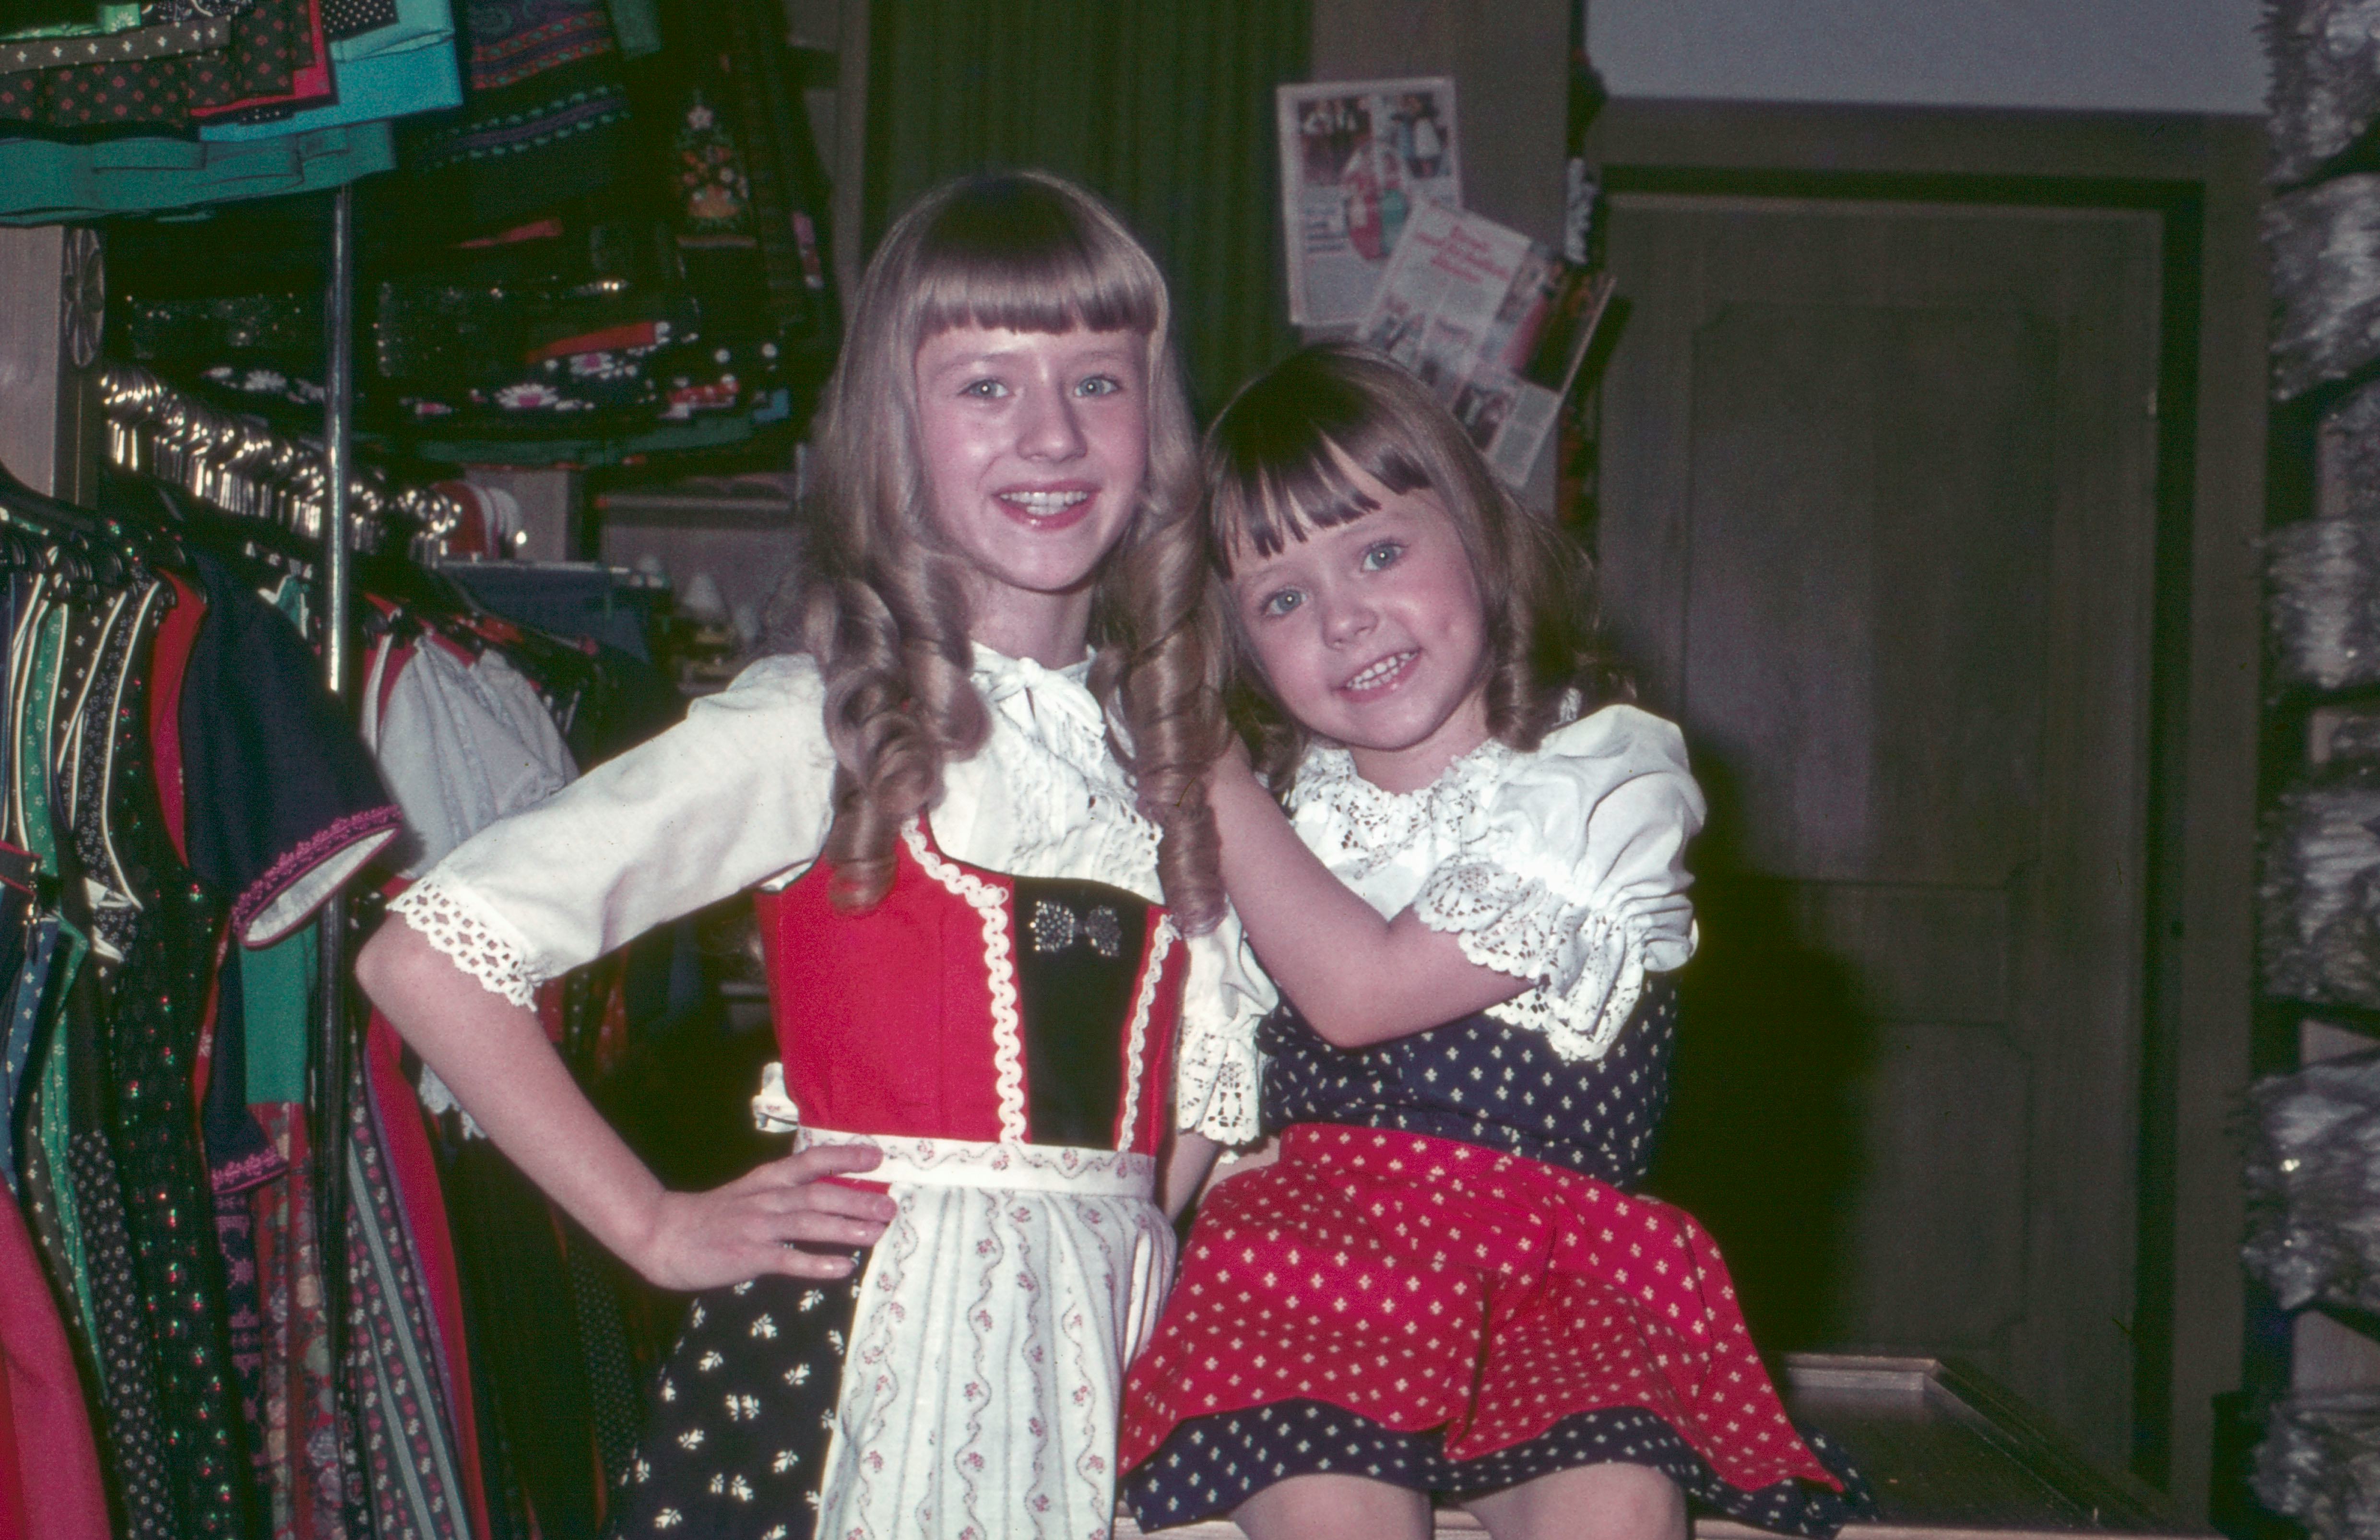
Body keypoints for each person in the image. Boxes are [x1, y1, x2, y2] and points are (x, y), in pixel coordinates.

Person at [355, 171, 1272, 1540]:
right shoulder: (821, 721)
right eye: (984, 387)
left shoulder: (1173, 759)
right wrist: (657, 1226)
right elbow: (427, 954)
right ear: (895, 431)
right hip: (856, 1373)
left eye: (1097, 382)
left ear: (1157, 430)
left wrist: (1110, 1267)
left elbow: (1189, 1122)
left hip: (1099, 1376)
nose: (1050, 433)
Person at [1119, 345, 1871, 1540]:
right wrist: (1103, 1286)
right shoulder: (1277, 822)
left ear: (1476, 533)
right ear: (1241, 652)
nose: (1345, 615)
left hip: (1556, 1283)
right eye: (1279, 599)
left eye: (1377, 550)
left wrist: (1200, 765)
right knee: (1330, 1510)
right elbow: (1206, 1101)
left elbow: (1363, 994)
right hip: (1314, 1282)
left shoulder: (1603, 781)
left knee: (1619, 1511)